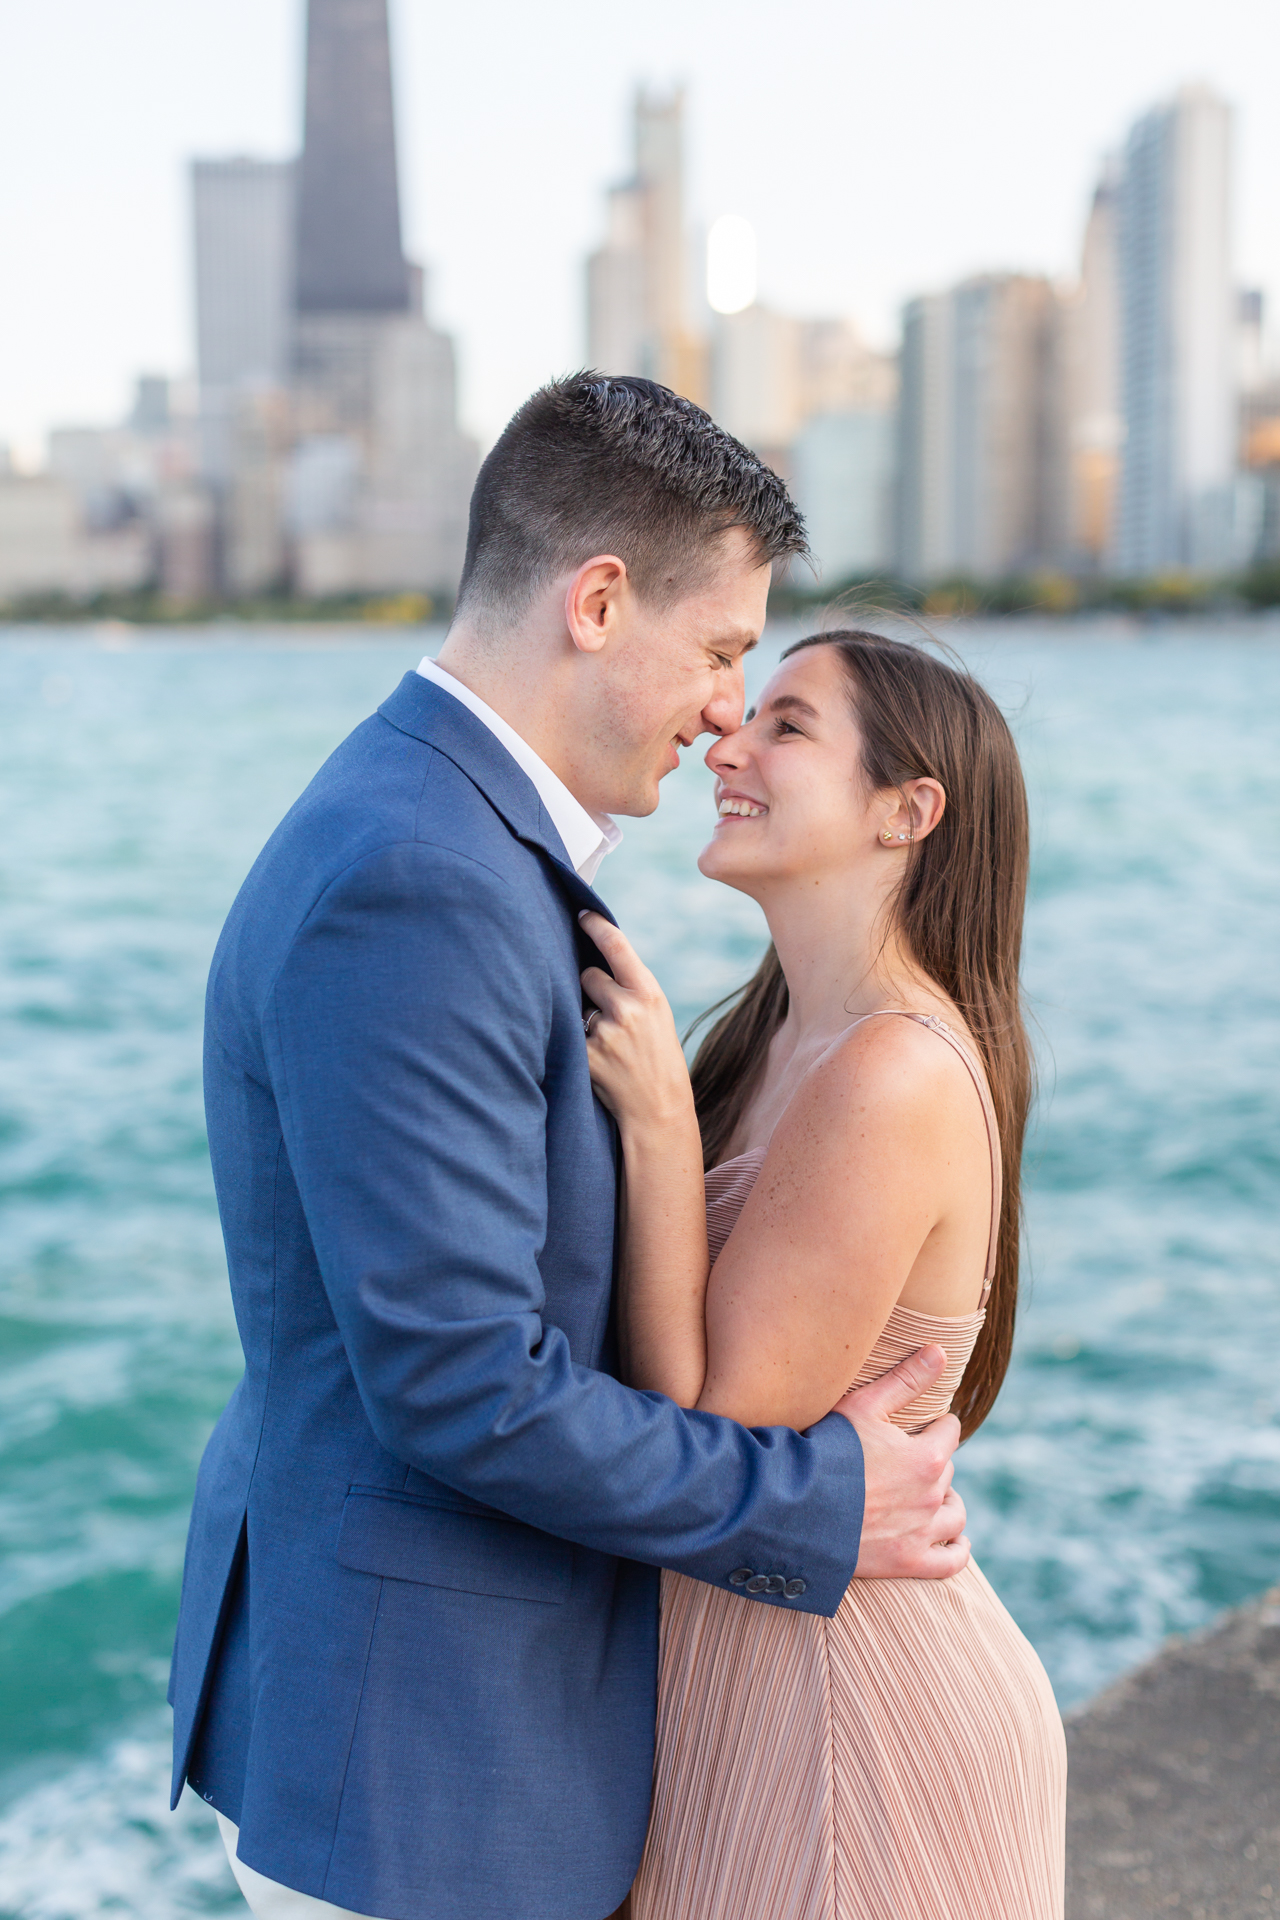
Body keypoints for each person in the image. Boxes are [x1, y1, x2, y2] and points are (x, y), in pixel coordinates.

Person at [168, 376, 971, 1920]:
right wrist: (817, 1500)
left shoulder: (446, 829)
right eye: (722, 652)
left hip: (427, 1730)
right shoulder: (423, 876)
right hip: (424, 1765)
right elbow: (461, 1384)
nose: (728, 709)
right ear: (598, 603)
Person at [580, 629, 1068, 1920]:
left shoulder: (893, 1073)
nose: (725, 744)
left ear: (908, 811)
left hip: (857, 1724)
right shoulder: (772, 1039)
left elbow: (713, 1425)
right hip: (759, 1694)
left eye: (787, 725)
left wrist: (658, 1129)